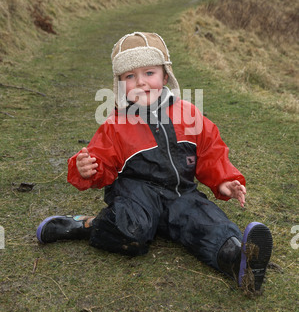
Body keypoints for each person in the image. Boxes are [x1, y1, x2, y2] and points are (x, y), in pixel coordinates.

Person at [36, 32, 273, 293]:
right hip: (137, 196)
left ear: (165, 75)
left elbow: (211, 150)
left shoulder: (189, 114)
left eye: (149, 73)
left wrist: (225, 180)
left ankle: (238, 259)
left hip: (181, 195)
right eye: (129, 76)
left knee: (209, 222)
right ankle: (86, 225)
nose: (140, 82)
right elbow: (100, 164)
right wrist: (85, 169)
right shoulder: (116, 125)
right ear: (119, 84)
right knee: (130, 232)